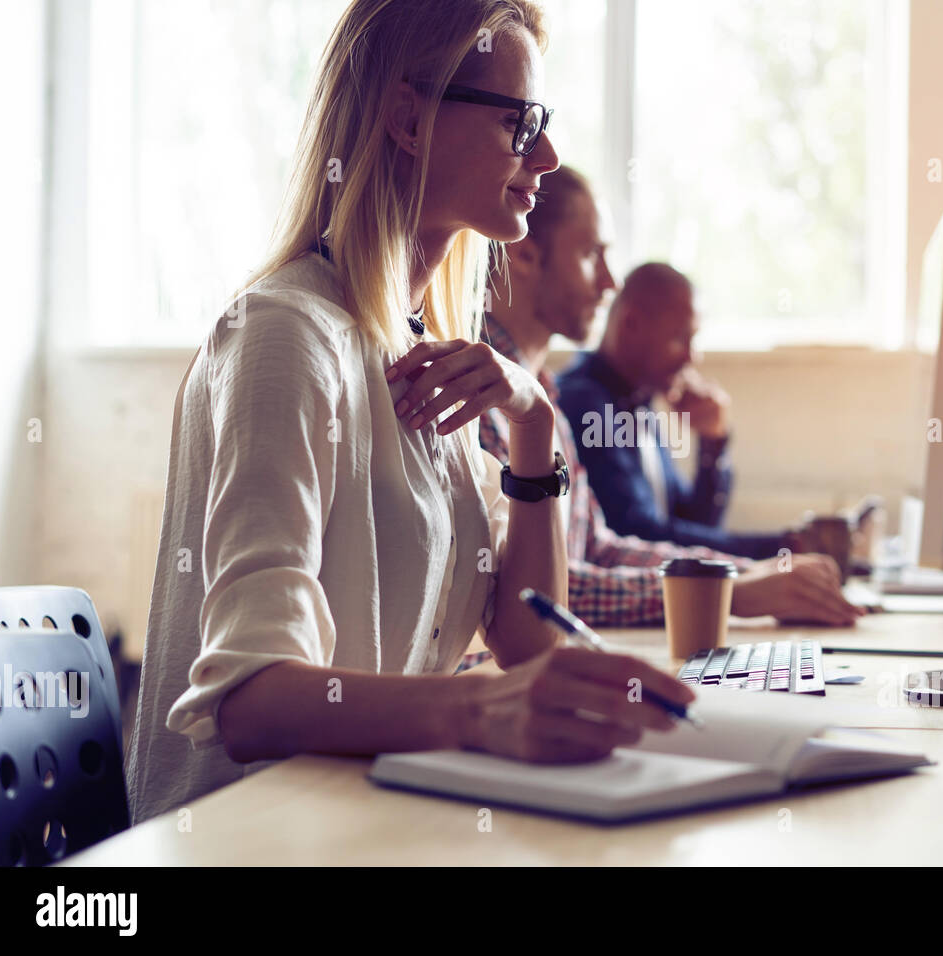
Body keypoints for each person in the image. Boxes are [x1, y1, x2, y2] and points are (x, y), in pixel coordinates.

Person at [126, 0, 690, 824]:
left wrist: (533, 428)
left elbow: (529, 642)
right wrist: (477, 713)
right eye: (522, 123)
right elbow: (251, 698)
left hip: (367, 822)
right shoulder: (285, 335)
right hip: (250, 838)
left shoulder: (423, 353)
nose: (550, 155)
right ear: (407, 119)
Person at [480, 165, 862, 627]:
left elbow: (598, 546)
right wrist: (730, 590)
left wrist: (745, 573)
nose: (609, 282)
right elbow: (527, 592)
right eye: (589, 254)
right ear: (525, 256)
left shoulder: (554, 397)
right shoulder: (488, 394)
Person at [556, 262, 795, 559]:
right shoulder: (585, 404)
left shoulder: (640, 403)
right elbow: (640, 535)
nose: (691, 357)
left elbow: (695, 526)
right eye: (680, 338)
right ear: (631, 323)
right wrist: (784, 548)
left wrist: (712, 444)